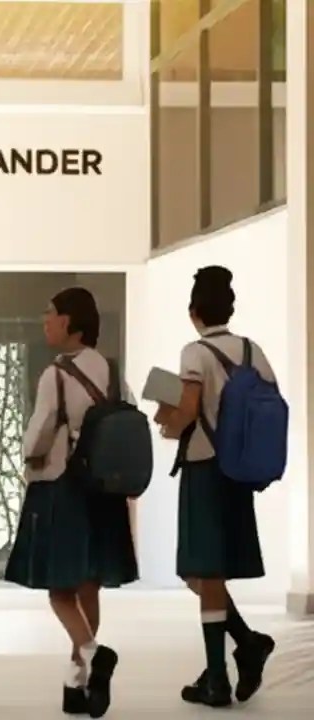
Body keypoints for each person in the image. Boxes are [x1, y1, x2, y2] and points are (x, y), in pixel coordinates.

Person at [4, 287, 137, 717]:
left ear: (70, 322)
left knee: (59, 588)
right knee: (88, 585)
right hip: (104, 490)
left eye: (51, 313)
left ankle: (94, 655)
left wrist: (27, 454)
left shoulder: (56, 374)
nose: (45, 320)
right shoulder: (112, 372)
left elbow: (39, 433)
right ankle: (76, 682)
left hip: (63, 486)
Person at [152, 266, 277, 708]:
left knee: (201, 571)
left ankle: (219, 677)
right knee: (207, 572)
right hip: (239, 470)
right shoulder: (253, 351)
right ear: (230, 308)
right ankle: (242, 648)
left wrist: (168, 424)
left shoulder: (195, 352)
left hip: (204, 469)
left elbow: (187, 408)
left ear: (194, 311)